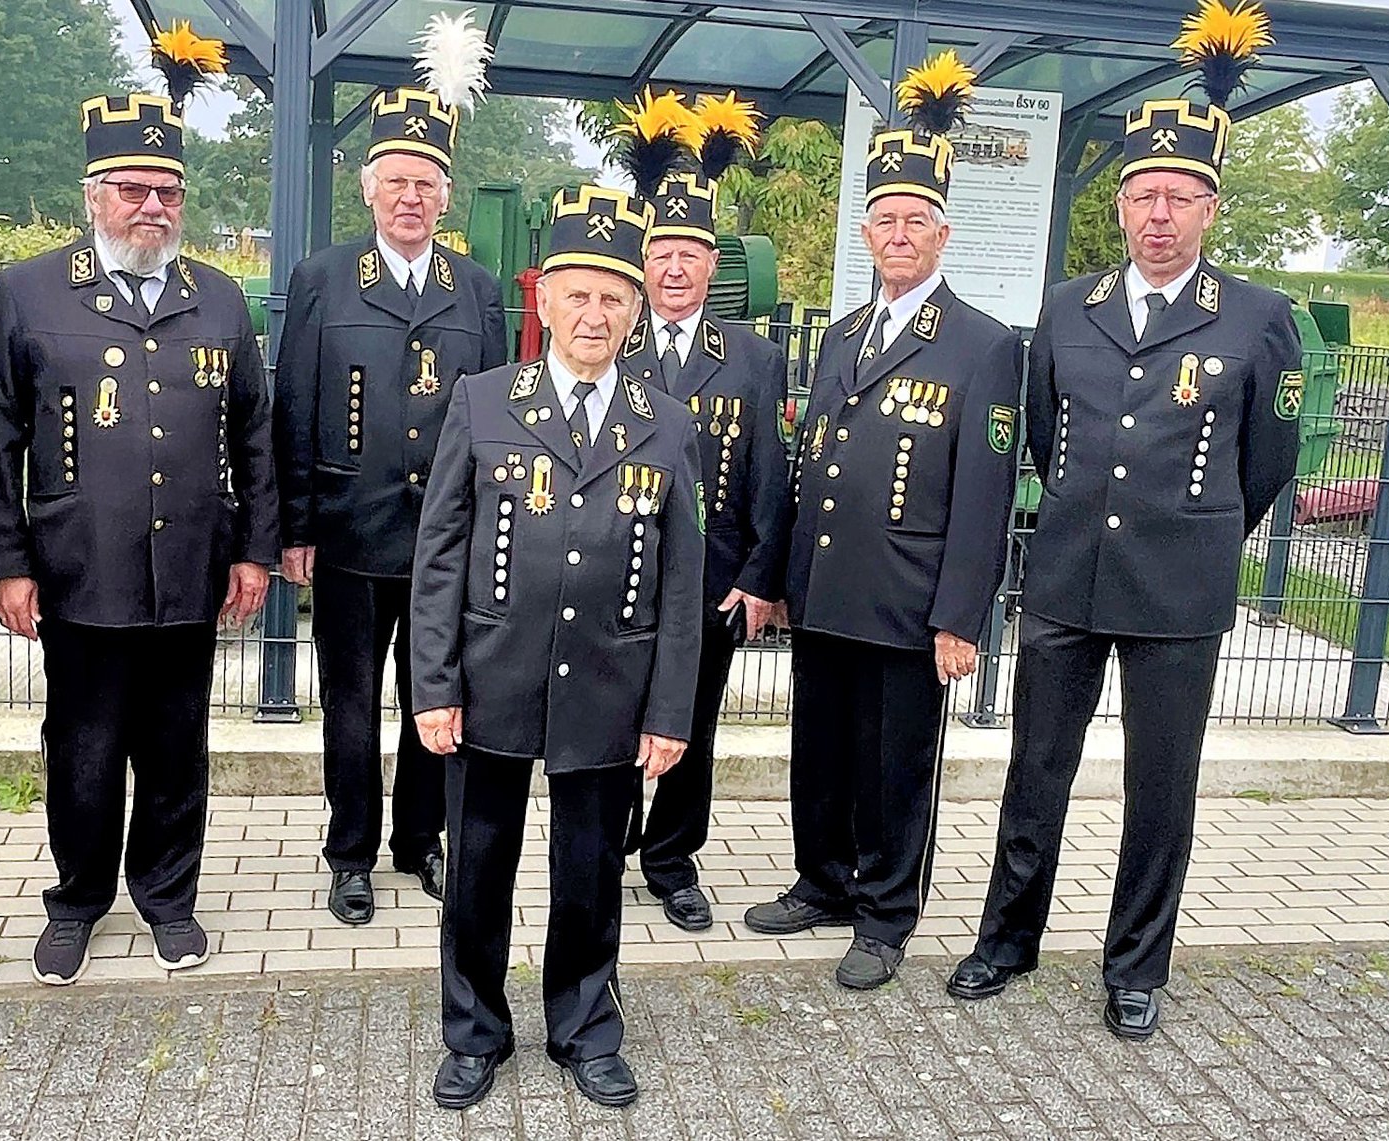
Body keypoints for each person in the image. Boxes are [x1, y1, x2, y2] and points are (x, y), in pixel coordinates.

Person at [949, 1, 1303, 1039]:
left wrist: (1191, 527)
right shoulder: (1068, 305)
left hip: (1177, 585)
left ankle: (1133, 965)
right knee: (1035, 771)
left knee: (1158, 789)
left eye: (1178, 197)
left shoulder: (1255, 316)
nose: (1157, 213)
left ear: (1208, 209)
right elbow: (1048, 437)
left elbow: (1265, 462)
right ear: (1118, 206)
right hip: (1066, 572)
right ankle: (1005, 940)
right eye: (1141, 194)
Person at [410, 94, 705, 1111]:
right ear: (545, 300)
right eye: (577, 295)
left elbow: (681, 577)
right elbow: (439, 551)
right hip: (490, 673)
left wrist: (670, 710)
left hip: (611, 682)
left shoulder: (665, 425)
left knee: (588, 869)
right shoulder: (484, 401)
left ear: (632, 312)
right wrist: (432, 684)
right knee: (478, 865)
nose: (594, 316)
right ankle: (473, 1028)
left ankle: (583, 1023)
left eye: (613, 300)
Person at [0, 84, 279, 987]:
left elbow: (255, 435)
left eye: (168, 192)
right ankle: (76, 901)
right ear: (94, 194)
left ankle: (168, 897)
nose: (153, 207)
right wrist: (7, 564)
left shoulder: (220, 300)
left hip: (191, 568)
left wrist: (256, 550)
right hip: (80, 572)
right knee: (83, 748)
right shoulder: (30, 291)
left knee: (178, 746)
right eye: (134, 189)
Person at [746, 54, 1023, 993]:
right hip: (825, 588)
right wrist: (780, 577)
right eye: (886, 221)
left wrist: (961, 616)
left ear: (943, 235)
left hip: (909, 601)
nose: (899, 235)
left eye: (917, 222)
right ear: (865, 232)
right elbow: (806, 463)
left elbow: (984, 494)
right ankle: (821, 878)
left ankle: (886, 910)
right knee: (819, 748)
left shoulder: (983, 345)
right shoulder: (839, 335)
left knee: (895, 766)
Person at [273, 11, 507, 924]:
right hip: (346, 530)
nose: (411, 197)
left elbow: (496, 415)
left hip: (447, 536)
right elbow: (295, 402)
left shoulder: (476, 290)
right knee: (348, 702)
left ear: (445, 197)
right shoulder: (323, 278)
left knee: (434, 693)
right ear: (369, 190)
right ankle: (350, 851)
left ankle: (420, 839)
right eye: (397, 181)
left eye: (427, 183)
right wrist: (293, 525)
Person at [614, 91, 788, 933]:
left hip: (712, 586)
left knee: (693, 721)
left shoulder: (754, 359)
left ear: (713, 266)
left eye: (690, 254)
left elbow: (770, 477)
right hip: (614, 577)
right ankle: (605, 839)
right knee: (612, 713)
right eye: (662, 255)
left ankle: (671, 858)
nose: (675, 270)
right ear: (642, 266)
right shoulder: (609, 342)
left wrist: (759, 579)